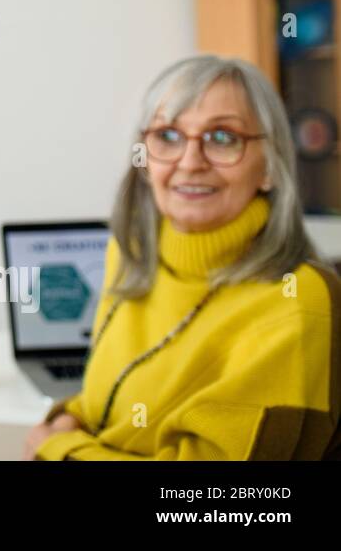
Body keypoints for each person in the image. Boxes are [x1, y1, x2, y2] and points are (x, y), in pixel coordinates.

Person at [24, 55, 341, 460]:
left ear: (270, 168)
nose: (190, 163)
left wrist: (62, 450)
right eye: (169, 136)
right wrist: (69, 418)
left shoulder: (298, 301)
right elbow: (111, 396)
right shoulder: (130, 253)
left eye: (224, 137)